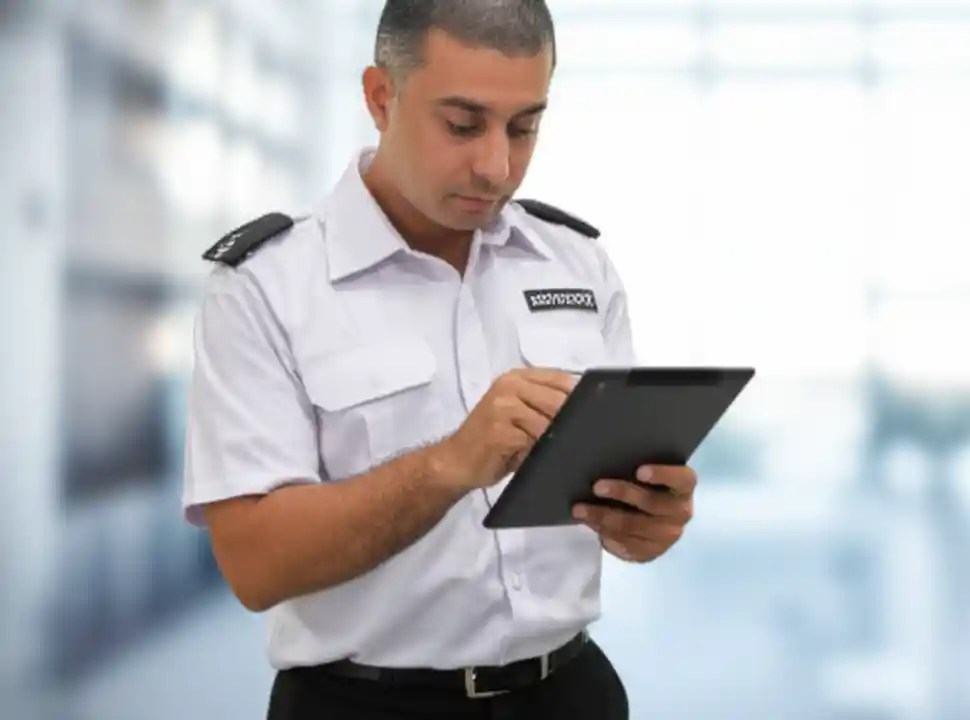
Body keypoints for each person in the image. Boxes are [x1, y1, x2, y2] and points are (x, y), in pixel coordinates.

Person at [181, 2, 698, 718]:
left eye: (525, 126)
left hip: (572, 694)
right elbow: (256, 567)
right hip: (361, 705)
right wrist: (449, 464)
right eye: (462, 125)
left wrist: (648, 522)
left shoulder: (578, 266)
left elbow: (621, 522)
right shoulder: (266, 287)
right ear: (379, 96)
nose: (496, 165)